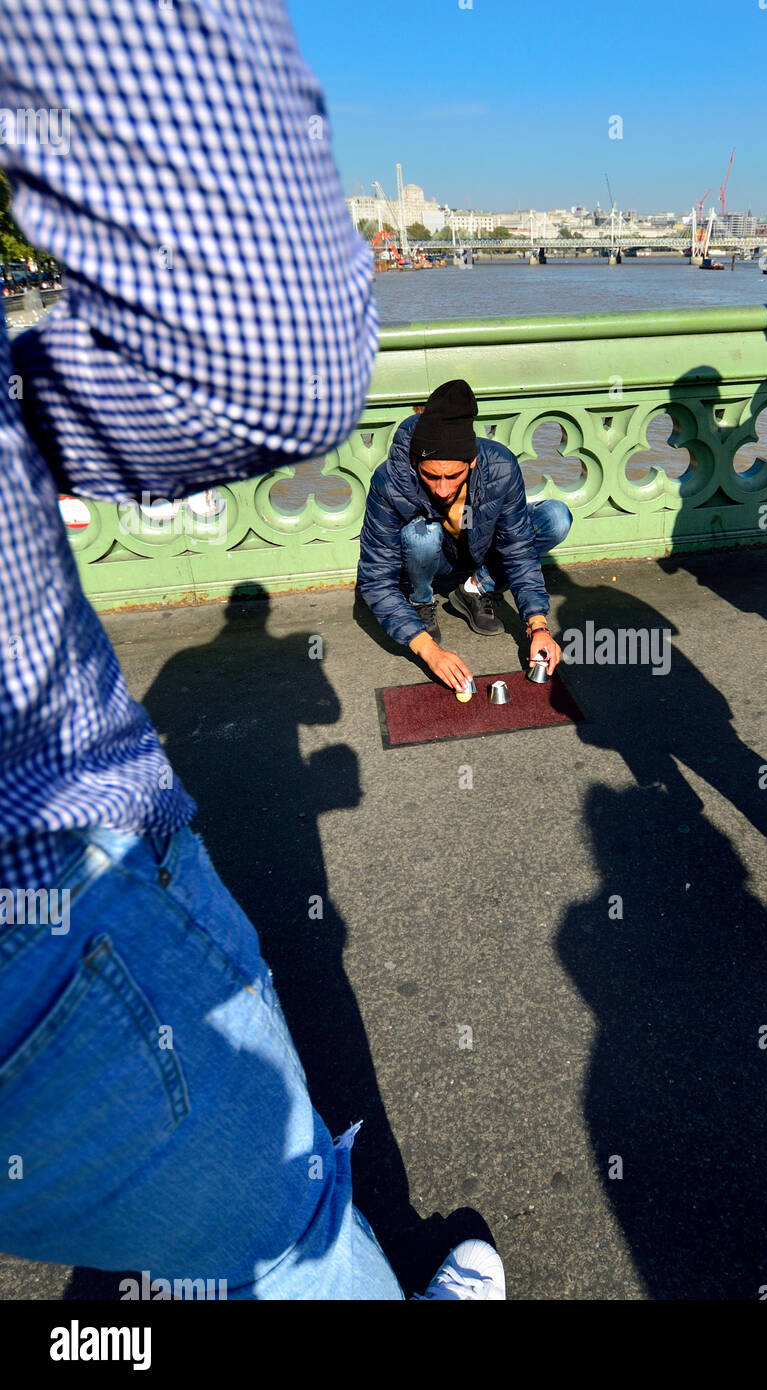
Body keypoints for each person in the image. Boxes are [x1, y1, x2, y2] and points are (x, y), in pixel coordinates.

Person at [0, 0, 502, 1298]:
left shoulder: (484, 487)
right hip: (42, 909)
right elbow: (272, 359)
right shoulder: (407, 485)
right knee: (279, 1234)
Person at [357, 378, 572, 692]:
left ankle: (474, 588)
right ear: (416, 461)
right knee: (424, 532)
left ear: (471, 462)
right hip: (428, 558)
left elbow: (518, 550)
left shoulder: (501, 467)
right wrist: (428, 651)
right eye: (431, 476)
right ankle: (421, 601)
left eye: (453, 476)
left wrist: (538, 625)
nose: (442, 489)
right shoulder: (388, 482)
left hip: (477, 552)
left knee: (555, 517)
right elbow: (376, 579)